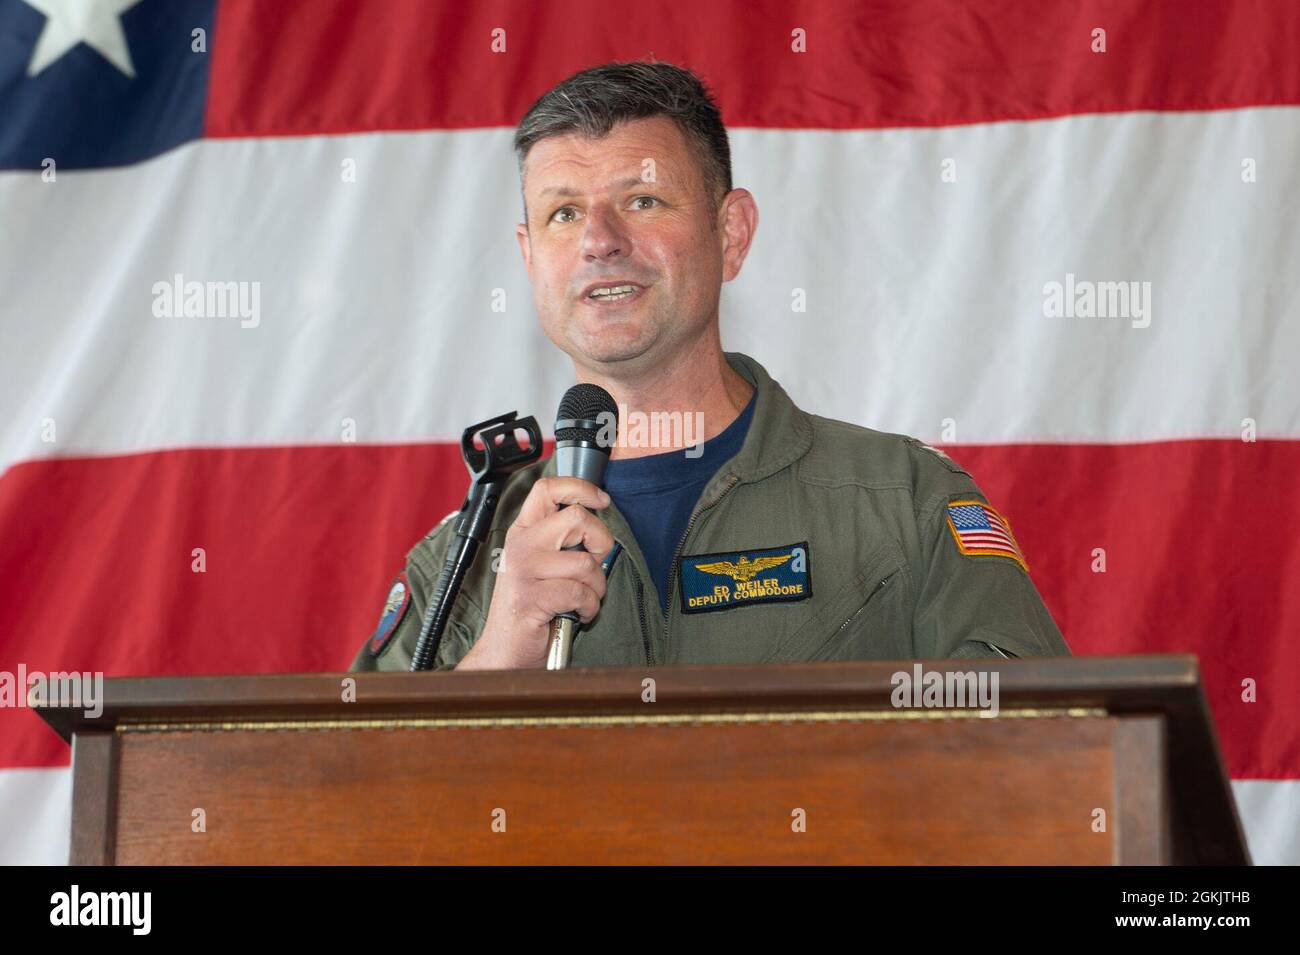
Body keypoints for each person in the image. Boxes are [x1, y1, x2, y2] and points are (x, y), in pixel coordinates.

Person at [351, 61, 1070, 672]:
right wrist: (496, 652)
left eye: (642, 199)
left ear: (732, 234)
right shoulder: (466, 561)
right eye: (563, 214)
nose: (599, 240)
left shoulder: (902, 503)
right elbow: (351, 811)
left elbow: (1047, 761)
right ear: (529, 255)